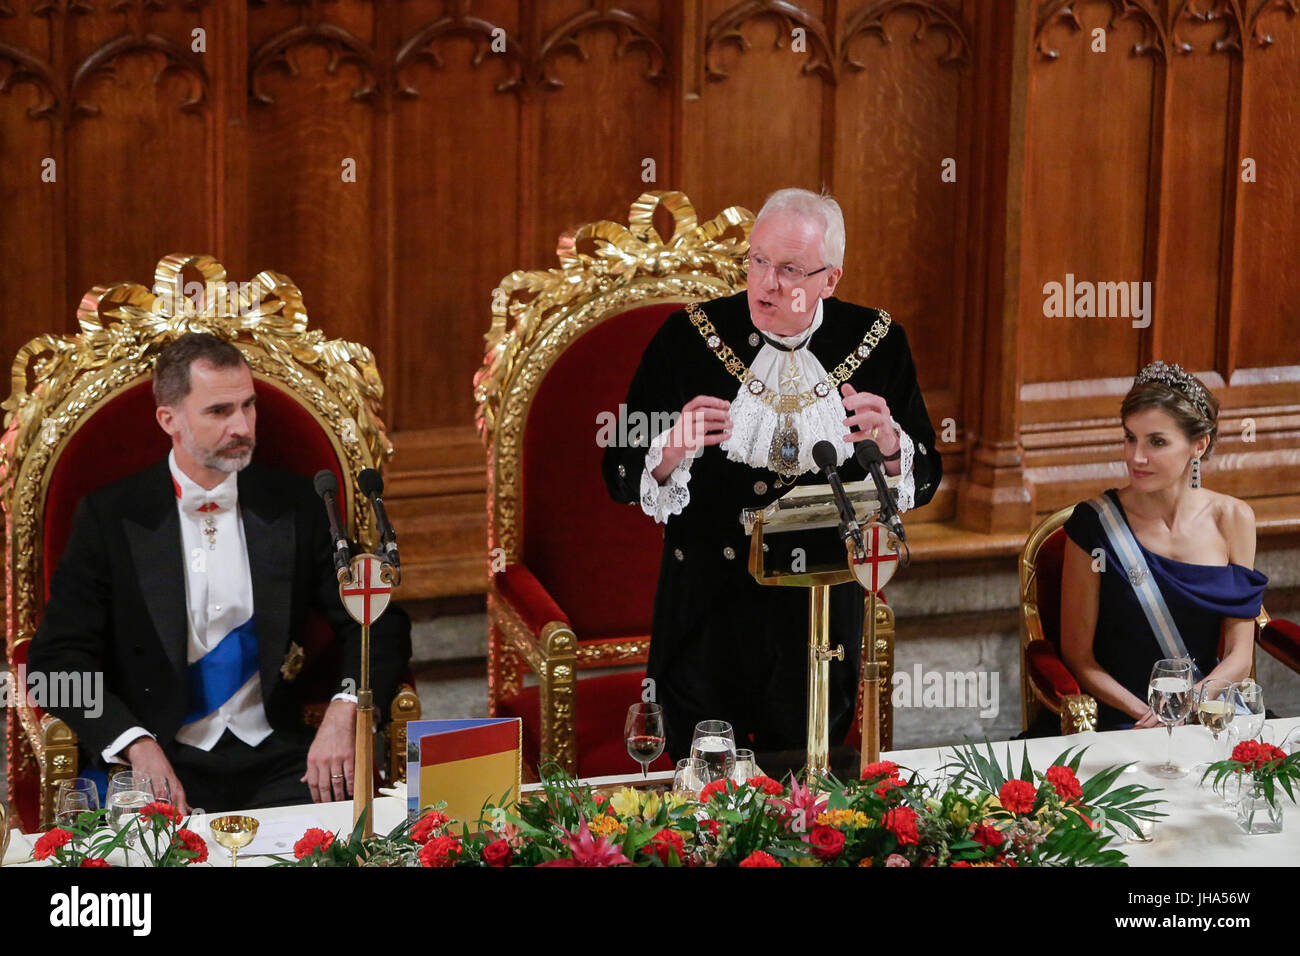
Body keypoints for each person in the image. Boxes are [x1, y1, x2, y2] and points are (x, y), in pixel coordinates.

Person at [602, 188, 941, 760]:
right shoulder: (688, 339)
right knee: (700, 808)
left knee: (806, 800)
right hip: (705, 619)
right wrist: (670, 447)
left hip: (819, 619)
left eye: (789, 269)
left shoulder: (878, 343)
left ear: (829, 279)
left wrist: (889, 444)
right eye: (757, 261)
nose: (766, 283)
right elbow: (616, 470)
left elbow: (926, 476)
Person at [27, 333, 412, 811]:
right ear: (169, 419)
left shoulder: (296, 505)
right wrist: (133, 743)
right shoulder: (110, 518)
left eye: (248, 407)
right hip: (161, 757)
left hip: (280, 758)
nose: (243, 426)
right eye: (219, 411)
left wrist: (345, 708)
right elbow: (54, 662)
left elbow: (380, 621)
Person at [1059, 361, 1267, 731]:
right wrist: (1148, 715)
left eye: (1156, 442)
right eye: (1130, 438)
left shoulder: (1234, 519)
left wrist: (1188, 707)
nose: (1136, 457)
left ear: (1198, 445)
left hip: (1206, 711)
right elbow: (1079, 657)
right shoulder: (1093, 526)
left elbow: (1239, 653)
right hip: (1124, 717)